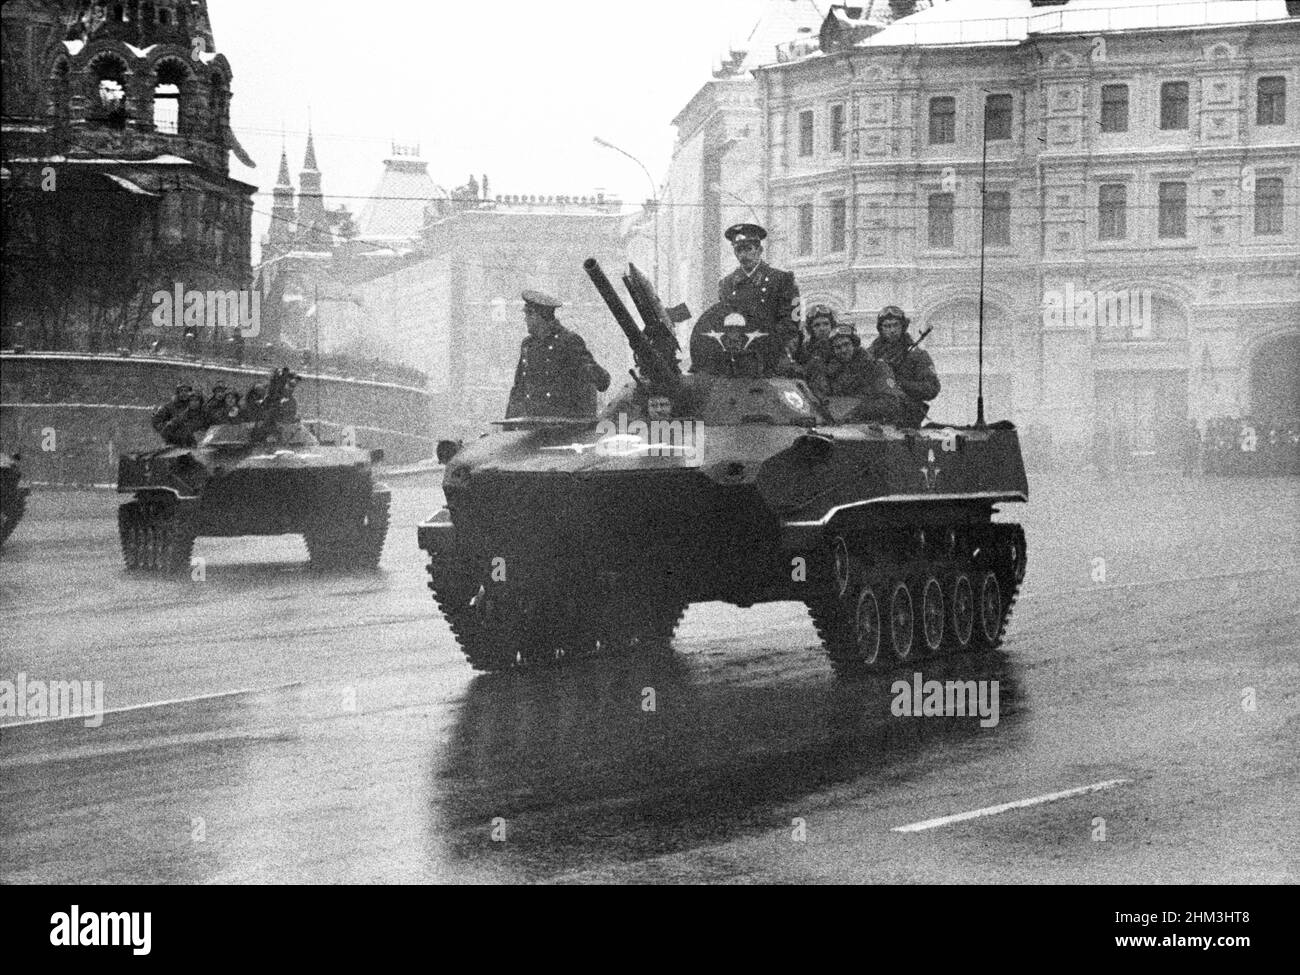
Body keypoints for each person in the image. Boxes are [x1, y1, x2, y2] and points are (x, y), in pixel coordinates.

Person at [506, 289, 611, 418]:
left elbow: (602, 381)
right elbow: (519, 388)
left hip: (562, 425)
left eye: (527, 315)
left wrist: (588, 372)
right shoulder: (528, 344)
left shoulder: (568, 341)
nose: (525, 320)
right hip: (532, 423)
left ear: (537, 316)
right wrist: (509, 424)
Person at [718, 223, 801, 352]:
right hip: (740, 352)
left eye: (748, 249)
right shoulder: (727, 284)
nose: (743, 255)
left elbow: (793, 320)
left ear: (759, 250)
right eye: (739, 250)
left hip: (773, 350)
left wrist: (769, 340)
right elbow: (724, 319)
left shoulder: (782, 279)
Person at [806, 324, 906, 423]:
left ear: (854, 345)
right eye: (838, 347)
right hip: (837, 425)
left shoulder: (876, 367)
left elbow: (891, 401)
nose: (843, 350)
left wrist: (858, 411)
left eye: (846, 344)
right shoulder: (829, 372)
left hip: (872, 425)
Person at [866, 306, 939, 426]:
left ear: (903, 327)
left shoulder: (917, 355)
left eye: (896, 325)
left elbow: (932, 388)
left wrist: (901, 384)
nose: (892, 330)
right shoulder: (870, 354)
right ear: (881, 329)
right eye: (887, 326)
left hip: (905, 418)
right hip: (875, 417)